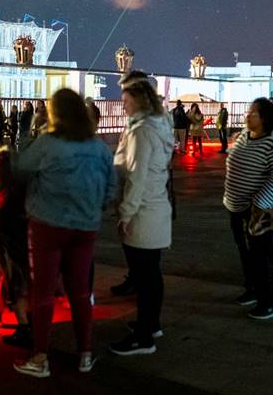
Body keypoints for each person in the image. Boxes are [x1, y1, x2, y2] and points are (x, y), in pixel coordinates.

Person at [12, 88, 117, 378]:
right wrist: (95, 207)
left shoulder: (48, 143)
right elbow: (112, 188)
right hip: (85, 227)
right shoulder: (99, 147)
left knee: (43, 292)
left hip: (48, 224)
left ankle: (40, 356)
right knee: (81, 291)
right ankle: (85, 353)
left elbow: (21, 169)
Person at [109, 74, 174, 355]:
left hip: (143, 211)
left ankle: (144, 338)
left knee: (145, 276)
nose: (123, 106)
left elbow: (135, 176)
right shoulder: (157, 126)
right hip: (155, 207)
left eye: (125, 100)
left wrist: (125, 212)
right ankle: (150, 324)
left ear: (138, 101)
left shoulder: (140, 132)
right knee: (151, 274)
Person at [223, 98, 273, 320]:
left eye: (252, 113)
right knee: (245, 252)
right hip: (236, 206)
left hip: (259, 212)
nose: (246, 116)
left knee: (263, 255)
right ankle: (252, 288)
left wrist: (258, 205)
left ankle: (269, 301)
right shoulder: (244, 136)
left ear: (264, 118)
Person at [0, 144, 32, 349]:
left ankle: (23, 326)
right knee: (22, 267)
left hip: (2, 221)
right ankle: (29, 316)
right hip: (23, 220)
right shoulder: (21, 170)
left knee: (9, 269)